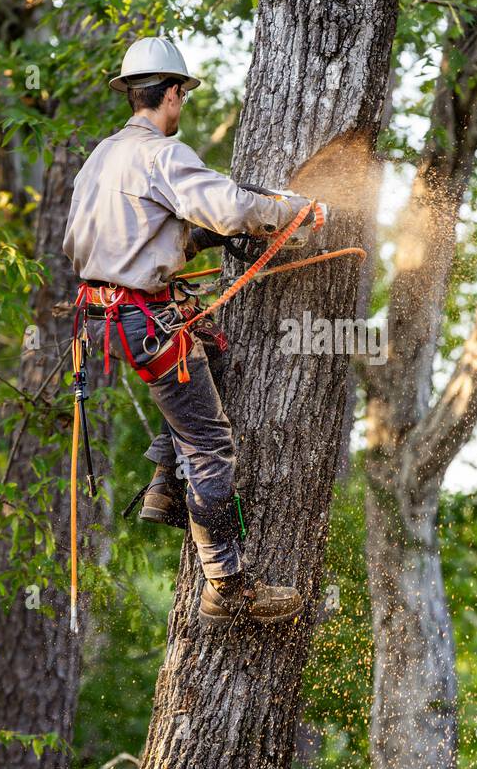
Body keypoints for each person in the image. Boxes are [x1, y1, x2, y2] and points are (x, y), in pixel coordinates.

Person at [63, 36, 313, 625]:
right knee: (210, 445)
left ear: (132, 92)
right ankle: (226, 589)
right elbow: (228, 206)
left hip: (105, 317)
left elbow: (132, 233)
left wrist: (201, 238)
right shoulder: (162, 153)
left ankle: (163, 485)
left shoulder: (102, 157)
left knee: (213, 359)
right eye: (182, 94)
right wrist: (290, 210)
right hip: (145, 323)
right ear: (172, 93)